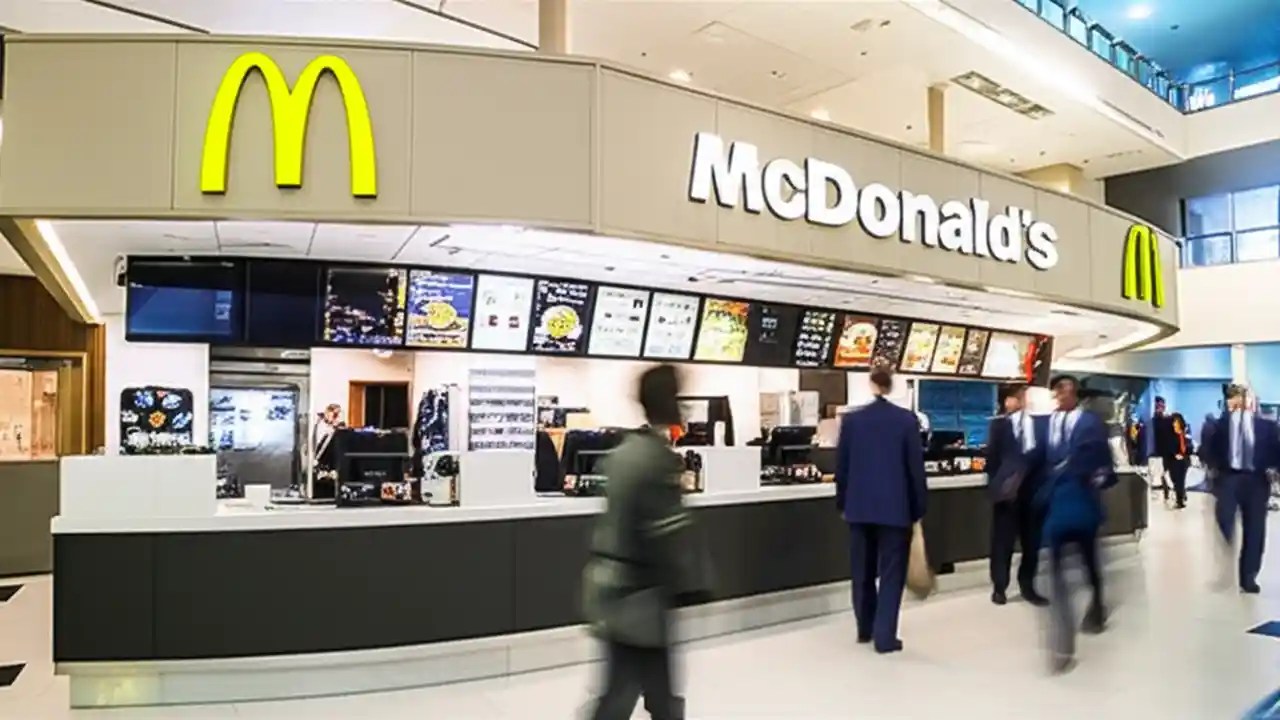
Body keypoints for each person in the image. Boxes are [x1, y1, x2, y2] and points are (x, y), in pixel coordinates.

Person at [582, 364, 708, 720]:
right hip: (640, 598)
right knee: (626, 696)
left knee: (647, 692)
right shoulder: (656, 460)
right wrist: (692, 583)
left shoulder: (622, 453)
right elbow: (668, 531)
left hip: (612, 589)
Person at [835, 367, 927, 654]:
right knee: (891, 573)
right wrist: (918, 508)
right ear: (892, 385)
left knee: (861, 570)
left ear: (871, 383)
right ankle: (885, 636)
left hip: (859, 508)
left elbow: (842, 468)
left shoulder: (852, 421)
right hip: (895, 509)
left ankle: (864, 628)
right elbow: (915, 469)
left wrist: (843, 503)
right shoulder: (905, 421)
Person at [1040, 375, 1114, 673]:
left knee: (1088, 559)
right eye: (1058, 390)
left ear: (1076, 395)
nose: (1062, 395)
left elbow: (1103, 461)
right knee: (1055, 567)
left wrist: (1097, 479)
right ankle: (1061, 637)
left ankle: (1097, 605)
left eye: (1068, 390)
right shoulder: (1049, 424)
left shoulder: (1090, 423)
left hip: (1082, 500)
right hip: (1057, 503)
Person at [1205, 384, 1277, 594]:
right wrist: (1213, 469)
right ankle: (1227, 544)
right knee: (1225, 516)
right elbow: (1209, 449)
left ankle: (1248, 576)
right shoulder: (1220, 425)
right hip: (1229, 477)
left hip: (1256, 479)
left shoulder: (1267, 426)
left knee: (1255, 530)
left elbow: (1276, 451)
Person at [984, 384, 1050, 607]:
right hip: (1007, 496)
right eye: (1015, 397)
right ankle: (999, 587)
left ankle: (1028, 586)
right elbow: (992, 461)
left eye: (1023, 397)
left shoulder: (1042, 425)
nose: (1020, 401)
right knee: (1002, 543)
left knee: (1032, 544)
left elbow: (1046, 459)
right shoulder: (999, 426)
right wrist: (997, 488)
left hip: (1032, 495)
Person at [1152, 396, 1194, 508]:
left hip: (1182, 460)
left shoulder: (1183, 435)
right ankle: (1177, 496)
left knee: (1180, 480)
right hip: (1171, 458)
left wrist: (1185, 454)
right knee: (1173, 478)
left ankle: (1180, 497)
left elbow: (1188, 447)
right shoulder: (1168, 431)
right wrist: (1175, 454)